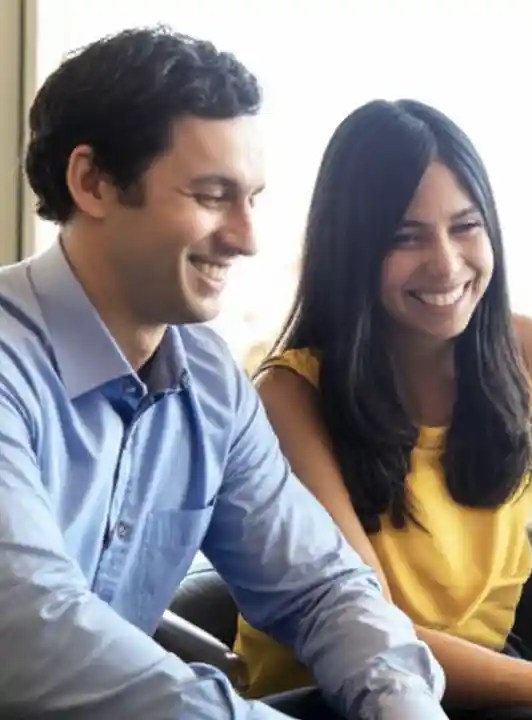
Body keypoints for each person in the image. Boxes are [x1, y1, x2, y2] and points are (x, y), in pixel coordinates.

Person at [0, 27, 448, 719]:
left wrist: (405, 707)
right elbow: (31, 635)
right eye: (212, 196)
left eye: (251, 199)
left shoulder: (210, 382)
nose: (246, 237)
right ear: (92, 182)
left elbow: (322, 588)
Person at [231, 99, 532, 720]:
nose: (446, 263)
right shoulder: (290, 397)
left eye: (465, 226)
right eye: (405, 237)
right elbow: (370, 635)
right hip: (346, 693)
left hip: (483, 691)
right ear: (351, 249)